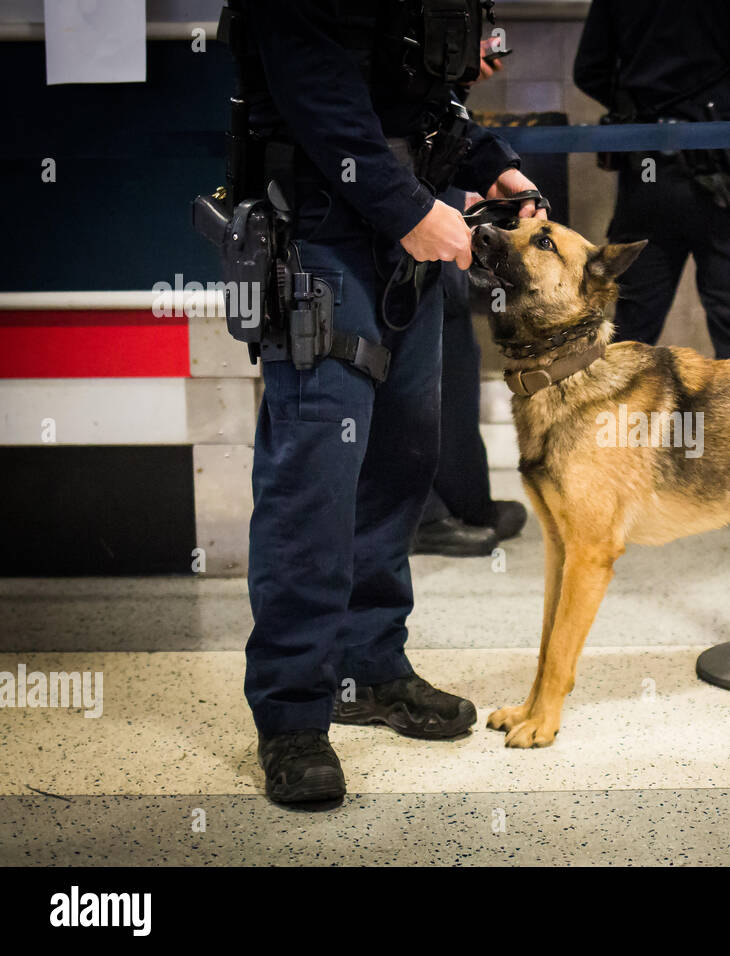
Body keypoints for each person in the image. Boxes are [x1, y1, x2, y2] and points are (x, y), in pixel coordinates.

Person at [231, 0, 545, 804]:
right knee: (315, 486)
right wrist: (408, 211)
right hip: (324, 237)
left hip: (412, 235)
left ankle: (370, 667)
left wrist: (490, 162)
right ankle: (294, 717)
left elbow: (421, 96)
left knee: (404, 464)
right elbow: (318, 99)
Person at [573, 0, 730, 359]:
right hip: (729, 177)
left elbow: (589, 69)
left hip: (647, 174)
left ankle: (618, 415)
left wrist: (640, 106)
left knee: (630, 337)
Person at [414, 41, 528, 557]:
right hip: (382, 214)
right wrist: (439, 200)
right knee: (400, 377)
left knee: (453, 352)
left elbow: (433, 110)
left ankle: (465, 498)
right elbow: (357, 121)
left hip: (429, 197)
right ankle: (420, 514)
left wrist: (492, 167)